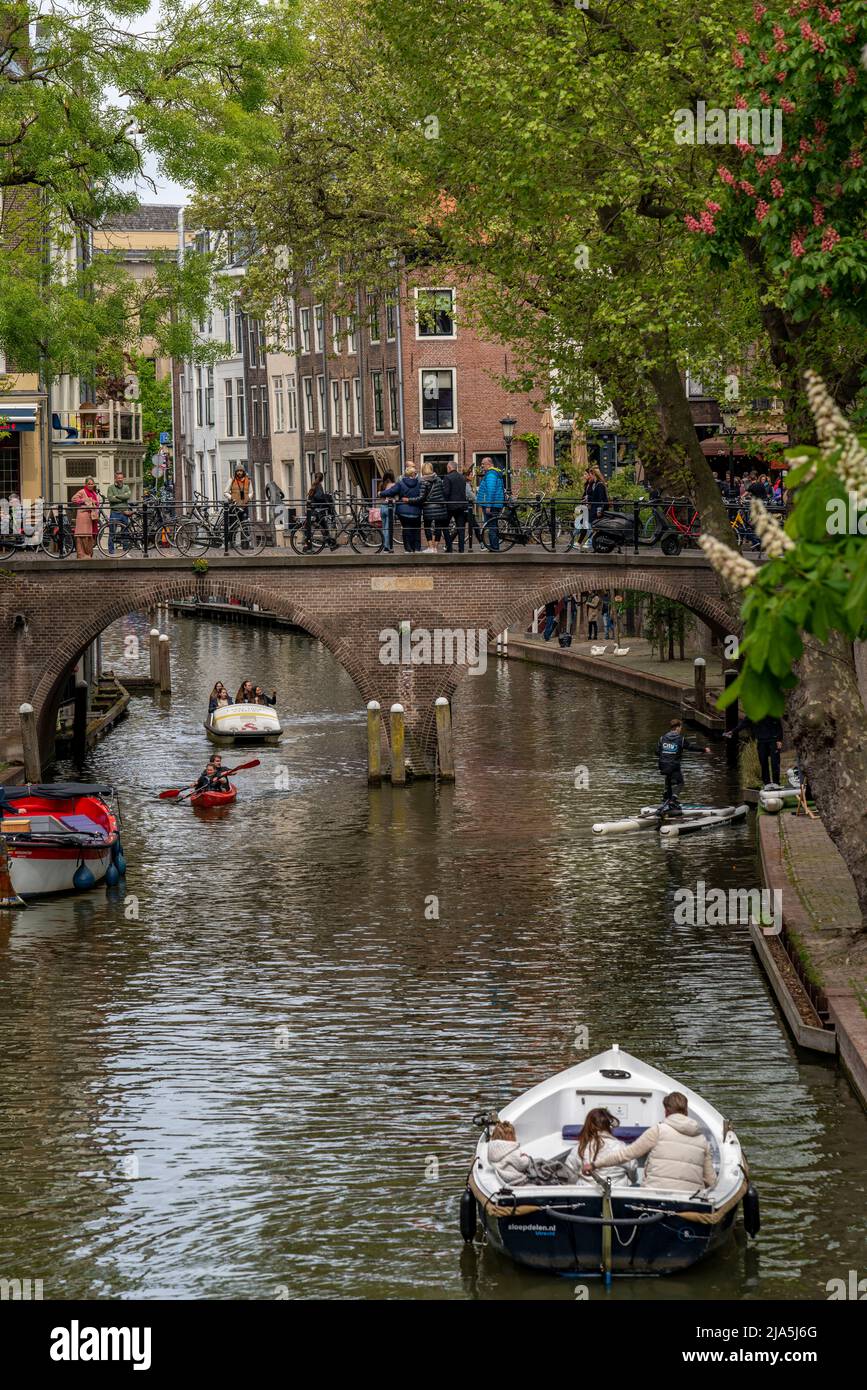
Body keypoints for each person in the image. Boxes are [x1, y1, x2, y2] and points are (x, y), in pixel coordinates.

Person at [584, 1092, 716, 1194]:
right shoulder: (702, 1139)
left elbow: (625, 1155)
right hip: (690, 1198)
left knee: (633, 1188)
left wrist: (594, 1164)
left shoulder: (658, 1131)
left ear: (666, 1111)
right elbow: (711, 1180)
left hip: (655, 1195)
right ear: (686, 1111)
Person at [564, 1108, 637, 1185]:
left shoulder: (580, 1148)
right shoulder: (622, 1147)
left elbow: (569, 1175)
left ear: (587, 1126)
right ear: (609, 1126)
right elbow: (633, 1173)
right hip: (617, 1192)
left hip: (585, 1194)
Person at [656, 717, 711, 813]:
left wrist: (666, 754)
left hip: (663, 765)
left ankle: (666, 798)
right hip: (673, 765)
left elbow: (657, 752)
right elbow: (691, 747)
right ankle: (672, 800)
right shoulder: (680, 739)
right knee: (680, 783)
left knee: (669, 780)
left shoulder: (662, 738)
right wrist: (704, 750)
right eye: (680, 728)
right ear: (677, 728)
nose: (680, 730)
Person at [725, 713, 784, 789]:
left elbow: (779, 725)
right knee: (763, 761)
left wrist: (779, 739)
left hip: (773, 739)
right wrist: (733, 731)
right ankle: (767, 783)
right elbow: (744, 723)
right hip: (761, 740)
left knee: (775, 762)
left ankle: (776, 783)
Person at [381, 463, 423, 553]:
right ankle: (417, 548)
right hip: (416, 510)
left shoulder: (401, 483)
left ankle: (408, 549)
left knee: (406, 528)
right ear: (414, 474)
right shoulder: (419, 483)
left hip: (403, 510)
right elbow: (422, 496)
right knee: (416, 529)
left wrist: (381, 493)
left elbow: (391, 492)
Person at [487, 1121, 535, 1188]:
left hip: (502, 1177)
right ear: (511, 1136)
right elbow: (522, 1164)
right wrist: (526, 1157)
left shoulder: (492, 1149)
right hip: (515, 1179)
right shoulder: (512, 1151)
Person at [476, 456, 506, 550]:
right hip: (494, 504)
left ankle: (494, 548)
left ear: (489, 464)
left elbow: (491, 490)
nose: (482, 466)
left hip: (491, 505)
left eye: (483, 464)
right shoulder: (493, 473)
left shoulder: (491, 475)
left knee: (491, 526)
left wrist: (488, 505)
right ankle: (493, 546)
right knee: (492, 526)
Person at [418, 462, 449, 552]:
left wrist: (410, 500)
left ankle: (430, 547)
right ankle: (435, 547)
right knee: (438, 527)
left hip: (428, 508)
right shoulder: (438, 479)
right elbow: (442, 492)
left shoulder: (423, 482)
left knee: (427, 527)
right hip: (440, 507)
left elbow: (422, 497)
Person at [304, 472, 337, 550]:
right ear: (322, 479)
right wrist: (325, 497)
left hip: (313, 509)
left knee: (324, 526)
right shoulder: (318, 486)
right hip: (316, 510)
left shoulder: (314, 485)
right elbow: (318, 496)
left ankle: (331, 545)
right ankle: (307, 546)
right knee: (324, 527)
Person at [441, 460, 468, 553]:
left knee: (444, 526)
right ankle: (461, 549)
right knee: (461, 528)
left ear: (449, 468)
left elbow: (446, 492)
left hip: (450, 506)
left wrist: (443, 502)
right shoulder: (462, 477)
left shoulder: (447, 477)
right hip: (461, 506)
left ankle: (449, 547)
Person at [70, 476, 101, 559]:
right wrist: (84, 500)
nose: (90, 485)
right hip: (83, 516)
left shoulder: (94, 493)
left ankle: (88, 554)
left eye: (92, 484)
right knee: (83, 535)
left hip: (91, 517)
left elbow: (96, 503)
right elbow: (73, 499)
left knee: (90, 535)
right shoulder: (82, 491)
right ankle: (82, 554)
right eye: (89, 484)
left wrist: (95, 502)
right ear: (86, 484)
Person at [225, 465, 253, 548]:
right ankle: (231, 544)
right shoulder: (231, 480)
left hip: (244, 506)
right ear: (235, 472)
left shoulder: (248, 481)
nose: (239, 472)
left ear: (243, 471)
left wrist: (248, 498)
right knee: (233, 525)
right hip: (234, 506)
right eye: (238, 471)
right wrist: (232, 498)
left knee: (245, 525)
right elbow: (225, 492)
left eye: (241, 471)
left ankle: (245, 544)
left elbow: (251, 492)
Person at [106, 471, 132, 554]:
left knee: (125, 531)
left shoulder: (126, 487)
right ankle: (111, 551)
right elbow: (110, 498)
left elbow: (128, 496)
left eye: (121, 478)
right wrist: (123, 498)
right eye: (118, 478)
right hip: (115, 512)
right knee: (112, 532)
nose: (120, 479)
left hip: (125, 512)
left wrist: (116, 496)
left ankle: (125, 549)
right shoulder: (110, 487)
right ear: (115, 479)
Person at [463, 466, 483, 550]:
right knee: (476, 527)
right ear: (467, 476)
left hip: (465, 509)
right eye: (471, 475)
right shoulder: (467, 485)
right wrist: (479, 499)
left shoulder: (466, 484)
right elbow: (471, 496)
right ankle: (482, 544)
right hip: (467, 510)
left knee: (459, 528)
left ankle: (448, 543)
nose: (472, 476)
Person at [379, 470, 396, 553]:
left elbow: (380, 497)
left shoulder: (382, 484)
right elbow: (396, 498)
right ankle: (387, 547)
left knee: (384, 528)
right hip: (390, 508)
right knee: (388, 528)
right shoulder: (394, 485)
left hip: (382, 507)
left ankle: (385, 545)